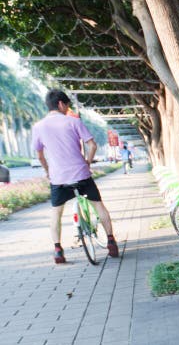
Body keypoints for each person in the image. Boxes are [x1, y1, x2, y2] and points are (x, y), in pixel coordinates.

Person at [32, 89, 118, 264]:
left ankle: (58, 250)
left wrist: (48, 171)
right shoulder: (73, 122)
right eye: (67, 106)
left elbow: (40, 155)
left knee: (56, 213)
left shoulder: (38, 127)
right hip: (81, 174)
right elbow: (92, 145)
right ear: (61, 104)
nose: (67, 109)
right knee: (98, 206)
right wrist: (87, 162)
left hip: (58, 179)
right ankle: (111, 241)